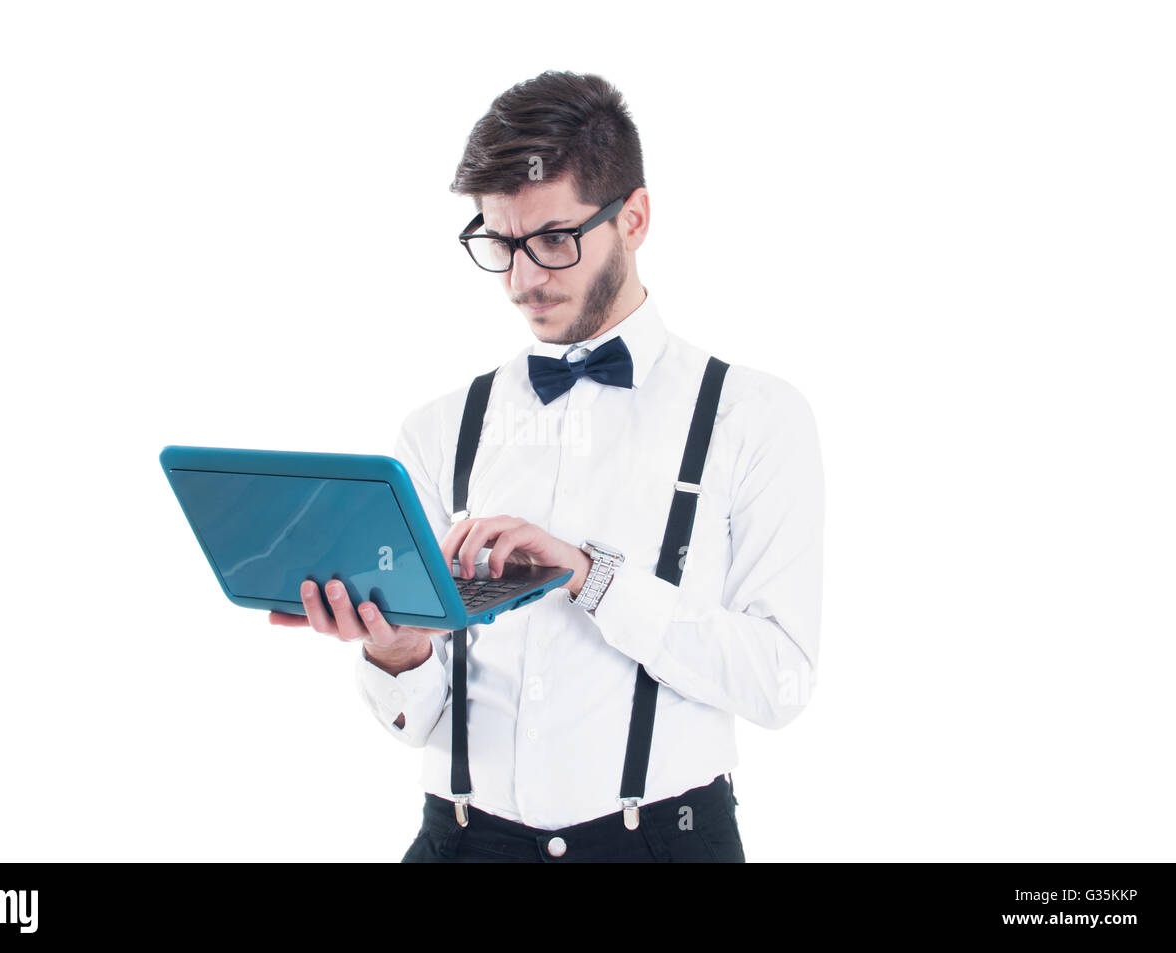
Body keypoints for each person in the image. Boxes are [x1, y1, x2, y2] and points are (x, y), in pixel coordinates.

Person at [269, 70, 825, 863]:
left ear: (632, 218)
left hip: (662, 845)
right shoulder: (438, 429)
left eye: (554, 240)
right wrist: (395, 649)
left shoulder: (754, 417)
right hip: (460, 842)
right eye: (500, 243)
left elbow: (780, 681)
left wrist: (588, 575)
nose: (523, 279)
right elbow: (420, 719)